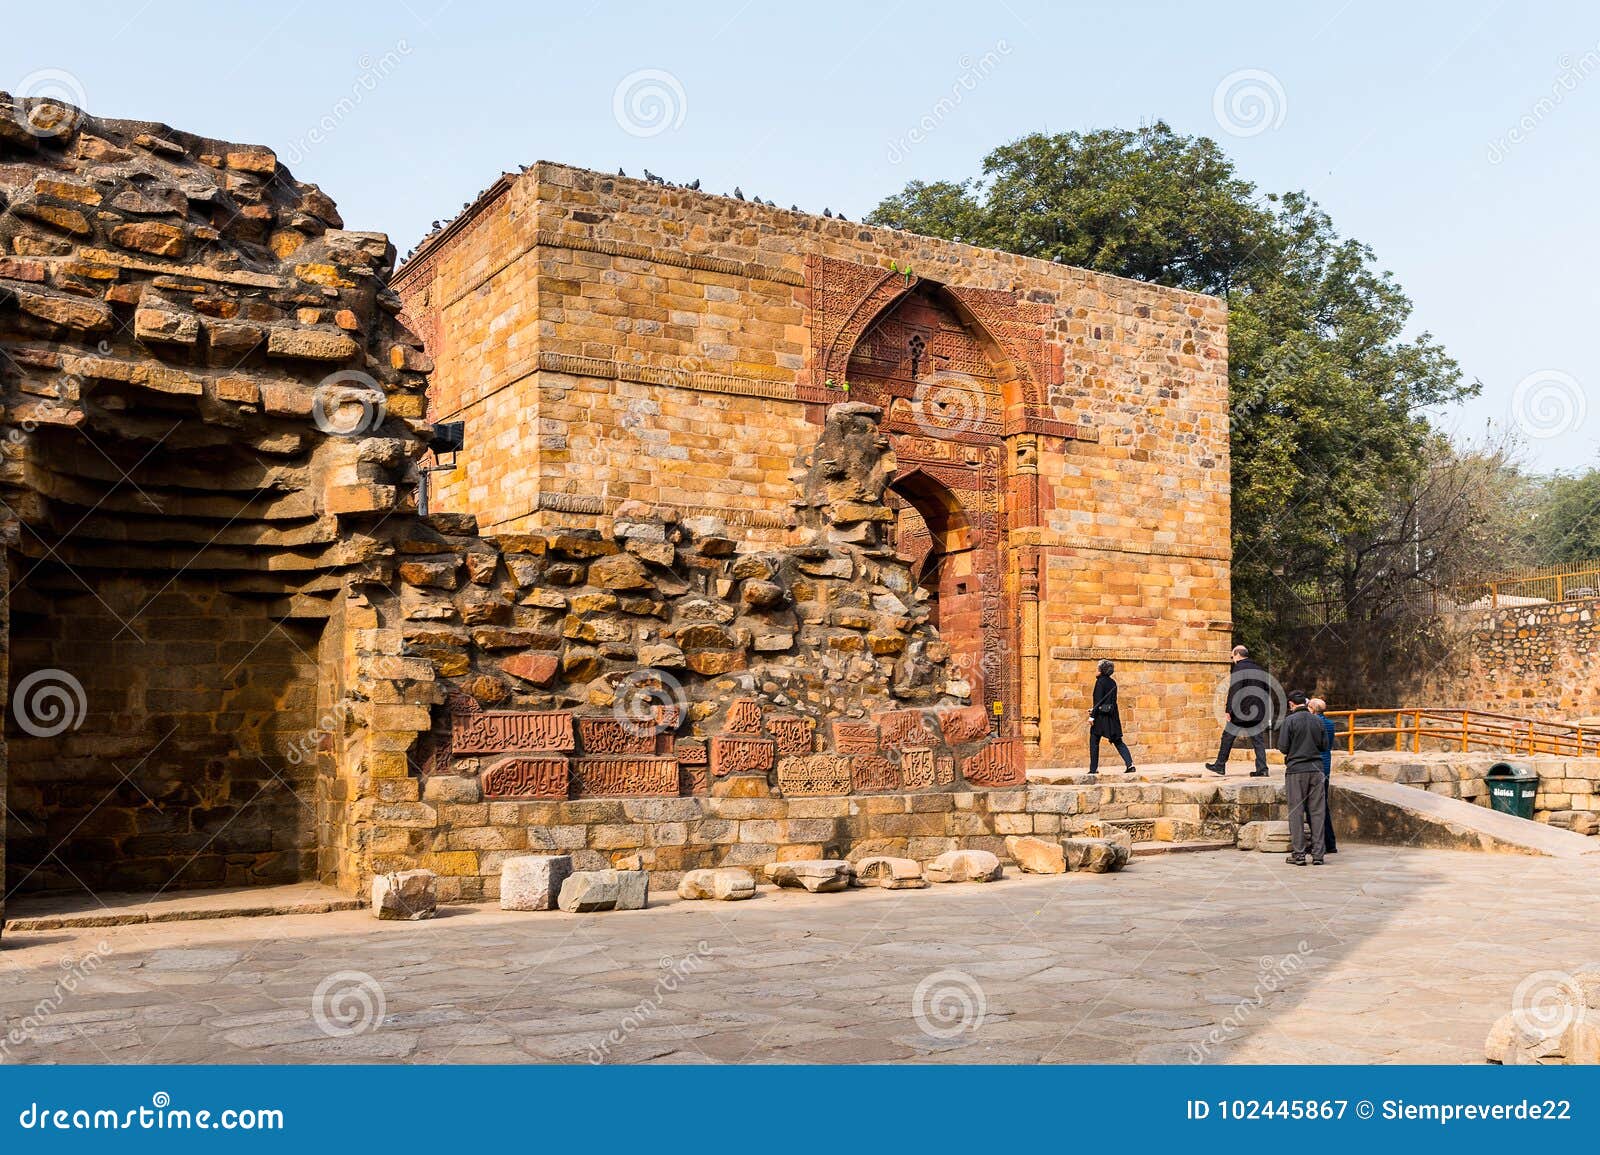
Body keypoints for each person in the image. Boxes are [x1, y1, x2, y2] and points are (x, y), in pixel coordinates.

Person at [1278, 690, 1331, 865]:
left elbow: (1283, 747)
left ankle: (1299, 854)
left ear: (1291, 704)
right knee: (1317, 812)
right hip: (1316, 770)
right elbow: (1324, 746)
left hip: (1296, 770)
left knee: (1296, 812)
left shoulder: (1289, 721)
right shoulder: (1318, 720)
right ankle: (1318, 855)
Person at [1206, 645, 1272, 776]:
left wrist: (1229, 709)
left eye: (1232, 657)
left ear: (1237, 655)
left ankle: (1219, 765)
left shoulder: (1239, 668)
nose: (1232, 660)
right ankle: (1262, 769)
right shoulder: (1259, 668)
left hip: (1240, 712)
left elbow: (1235, 690)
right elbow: (1266, 690)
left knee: (1227, 737)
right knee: (1258, 741)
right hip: (1257, 711)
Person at [1087, 659, 1136, 775]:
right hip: (1112, 716)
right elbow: (1109, 701)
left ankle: (1093, 769)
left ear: (1101, 670)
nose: (1096, 670)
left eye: (1097, 668)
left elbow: (1098, 701)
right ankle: (1130, 764)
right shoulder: (1113, 683)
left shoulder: (1100, 682)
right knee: (1117, 741)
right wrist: (1094, 710)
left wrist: (1092, 716)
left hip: (1100, 717)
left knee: (1094, 741)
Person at [1309, 697, 1338, 853]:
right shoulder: (1330, 724)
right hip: (1325, 767)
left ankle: (1321, 843)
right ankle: (1329, 842)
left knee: (1315, 808)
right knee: (1323, 806)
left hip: (1315, 768)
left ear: (1312, 709)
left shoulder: (1314, 724)